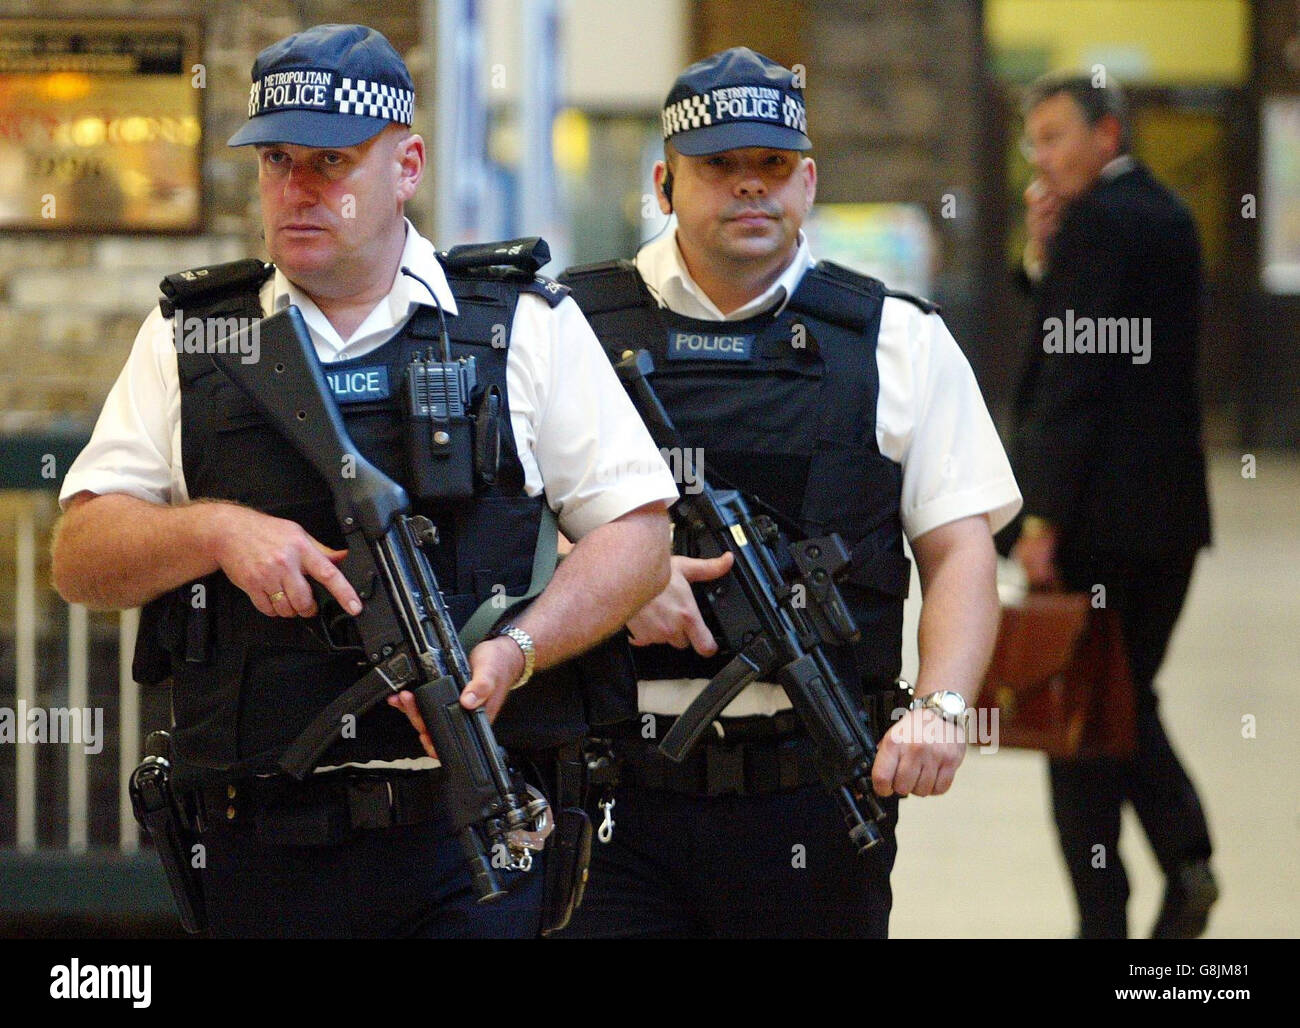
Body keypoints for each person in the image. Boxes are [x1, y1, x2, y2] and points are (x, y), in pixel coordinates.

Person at [50, 23, 676, 939]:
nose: (297, 190)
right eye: (277, 161)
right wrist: (218, 534)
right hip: (260, 841)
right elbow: (79, 557)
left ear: (408, 164)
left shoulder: (520, 325)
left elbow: (639, 534)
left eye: (331, 162)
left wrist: (517, 651)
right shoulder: (196, 335)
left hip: (468, 839)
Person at [554, 47, 1022, 938]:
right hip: (606, 794)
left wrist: (944, 706)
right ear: (665, 182)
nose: (749, 188)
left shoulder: (896, 340)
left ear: (808, 182)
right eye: (718, 166)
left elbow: (960, 546)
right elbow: (496, 526)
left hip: (812, 788)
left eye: (771, 166)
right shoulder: (567, 330)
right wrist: (607, 578)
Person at [1008, 71, 1217, 939]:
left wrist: (1040, 519)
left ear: (1107, 135)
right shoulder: (1166, 213)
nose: (1044, 158)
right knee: (1125, 695)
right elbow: (1097, 329)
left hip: (1096, 517)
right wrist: (1039, 257)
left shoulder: (1096, 221)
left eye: (1058, 137)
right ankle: (1186, 863)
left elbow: (1076, 379)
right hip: (1170, 517)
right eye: (1036, 142)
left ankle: (1116, 915)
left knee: (1078, 721)